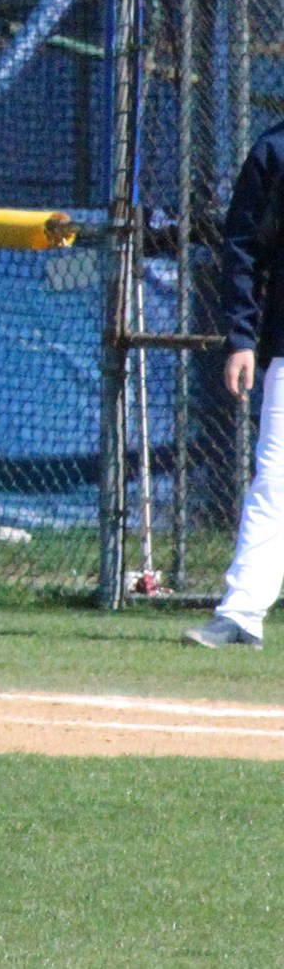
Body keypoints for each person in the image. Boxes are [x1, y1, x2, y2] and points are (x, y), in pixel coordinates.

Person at [184, 119, 284, 651]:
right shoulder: (274, 150)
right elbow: (244, 248)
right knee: (275, 481)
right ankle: (243, 614)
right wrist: (241, 337)